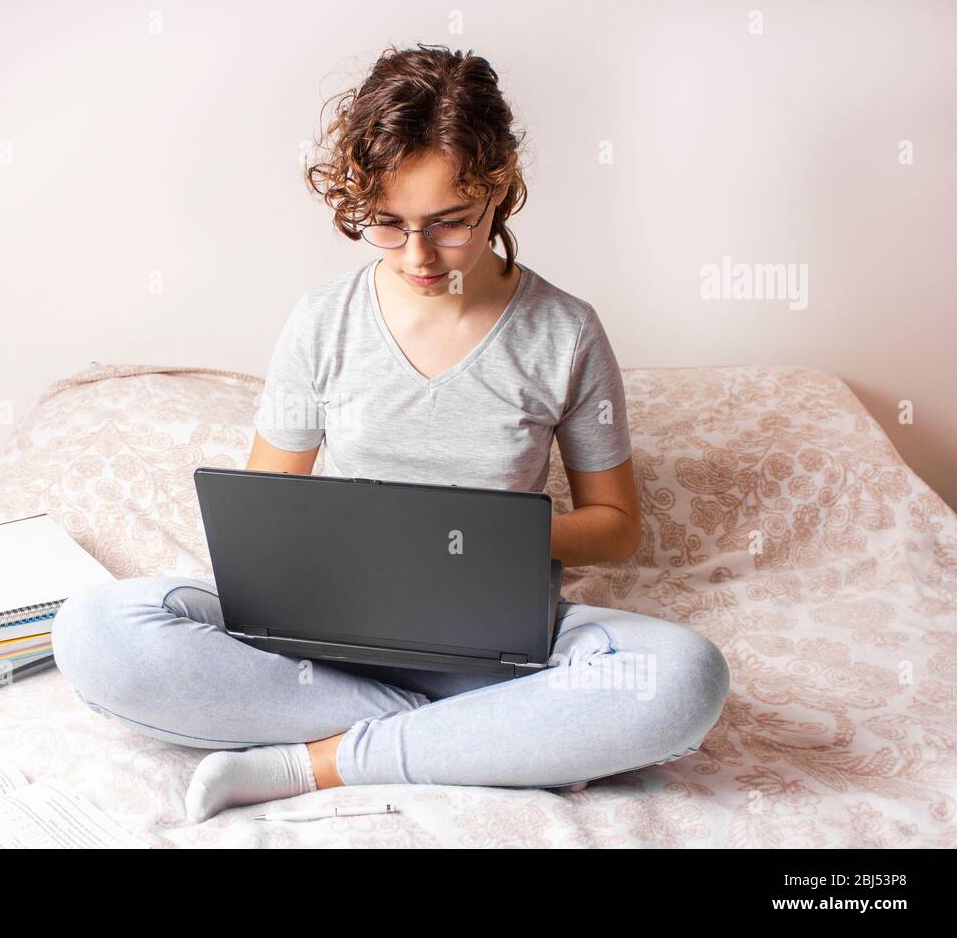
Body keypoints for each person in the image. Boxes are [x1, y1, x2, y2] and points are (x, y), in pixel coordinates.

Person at [52, 43, 730, 824]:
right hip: (325, 647)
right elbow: (268, 508)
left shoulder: (565, 331)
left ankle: (323, 761)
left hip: (499, 651)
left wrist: (479, 539)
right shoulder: (322, 320)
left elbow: (616, 529)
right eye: (387, 224)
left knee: (684, 677)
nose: (419, 256)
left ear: (499, 185)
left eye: (450, 224)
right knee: (97, 629)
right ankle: (484, 743)